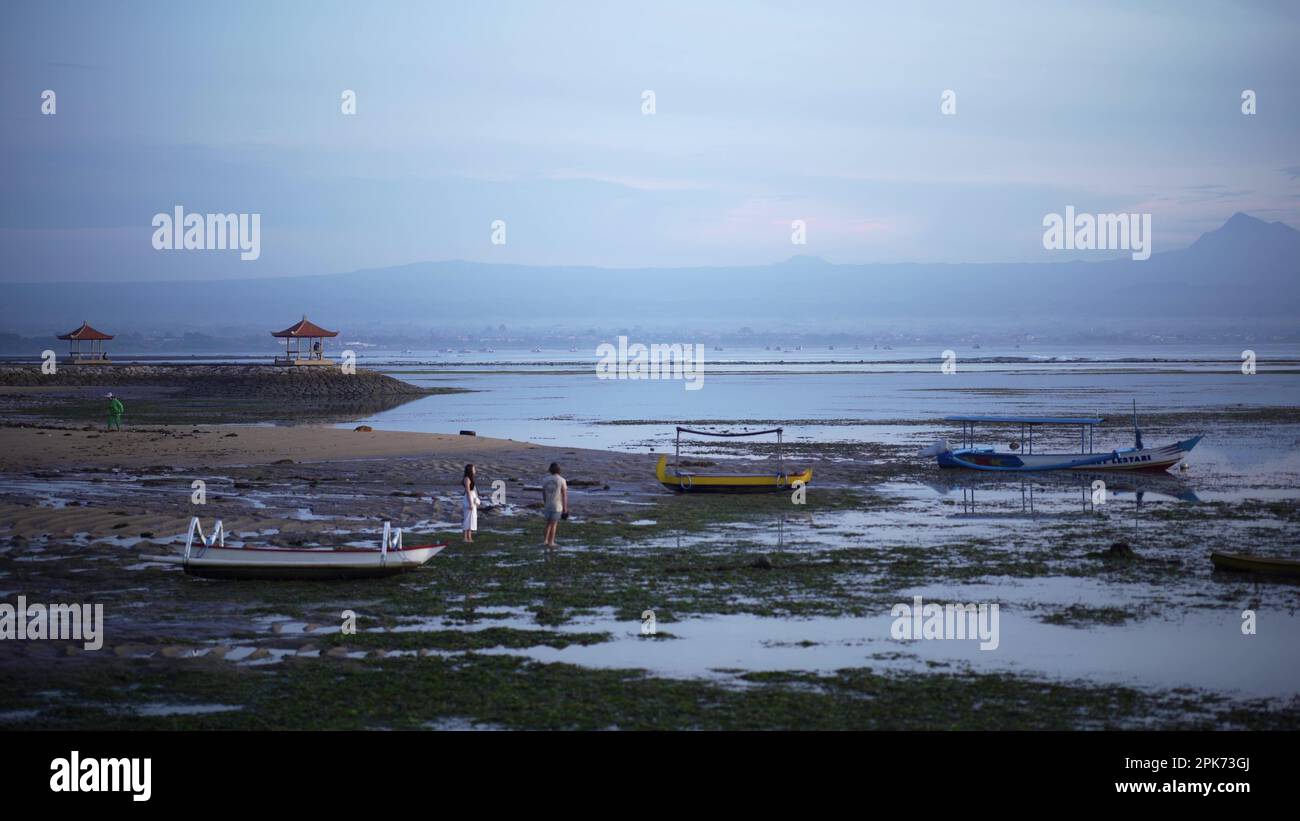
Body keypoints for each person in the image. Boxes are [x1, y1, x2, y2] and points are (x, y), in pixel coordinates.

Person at [541, 462, 568, 548]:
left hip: (548, 505)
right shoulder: (562, 480)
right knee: (554, 524)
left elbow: (543, 493)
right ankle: (551, 542)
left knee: (548, 523)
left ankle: (545, 541)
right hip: (557, 505)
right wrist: (565, 508)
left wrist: (545, 503)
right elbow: (564, 495)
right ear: (559, 470)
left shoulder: (545, 480)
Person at [461, 464, 479, 543]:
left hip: (472, 497)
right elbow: (468, 491)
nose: (475, 470)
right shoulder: (467, 479)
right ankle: (465, 538)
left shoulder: (470, 478)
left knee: (472, 517)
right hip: (469, 499)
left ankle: (469, 537)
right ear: (470, 470)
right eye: (474, 469)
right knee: (467, 518)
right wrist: (471, 503)